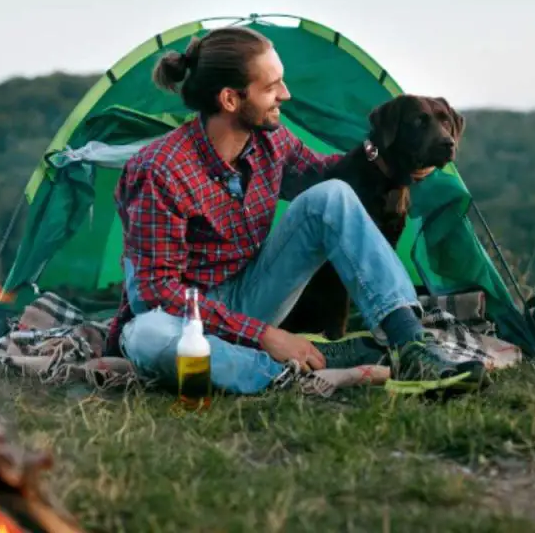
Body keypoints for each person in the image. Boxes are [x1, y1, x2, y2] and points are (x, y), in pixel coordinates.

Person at [102, 26, 486, 395]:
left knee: (332, 195)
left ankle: (410, 347)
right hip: (181, 318)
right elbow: (156, 293)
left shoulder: (271, 142)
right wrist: (268, 337)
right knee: (150, 338)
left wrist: (391, 161)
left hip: (251, 295)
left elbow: (332, 178)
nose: (285, 94)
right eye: (271, 87)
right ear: (230, 100)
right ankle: (295, 369)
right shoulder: (160, 170)